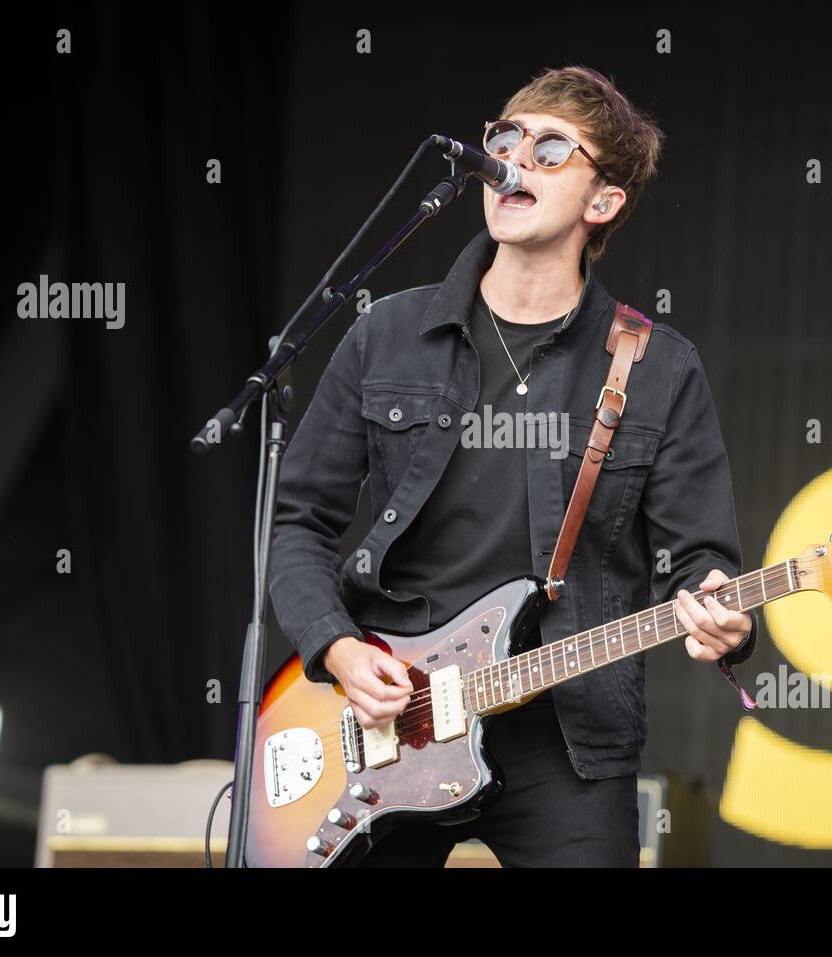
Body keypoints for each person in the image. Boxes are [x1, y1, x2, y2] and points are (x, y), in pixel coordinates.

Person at [269, 65, 757, 866]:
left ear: (603, 204)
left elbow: (699, 558)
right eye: (506, 138)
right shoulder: (386, 334)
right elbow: (299, 520)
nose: (514, 158)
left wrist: (720, 616)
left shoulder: (658, 368)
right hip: (389, 719)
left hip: (567, 740)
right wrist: (335, 647)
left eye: (553, 147)